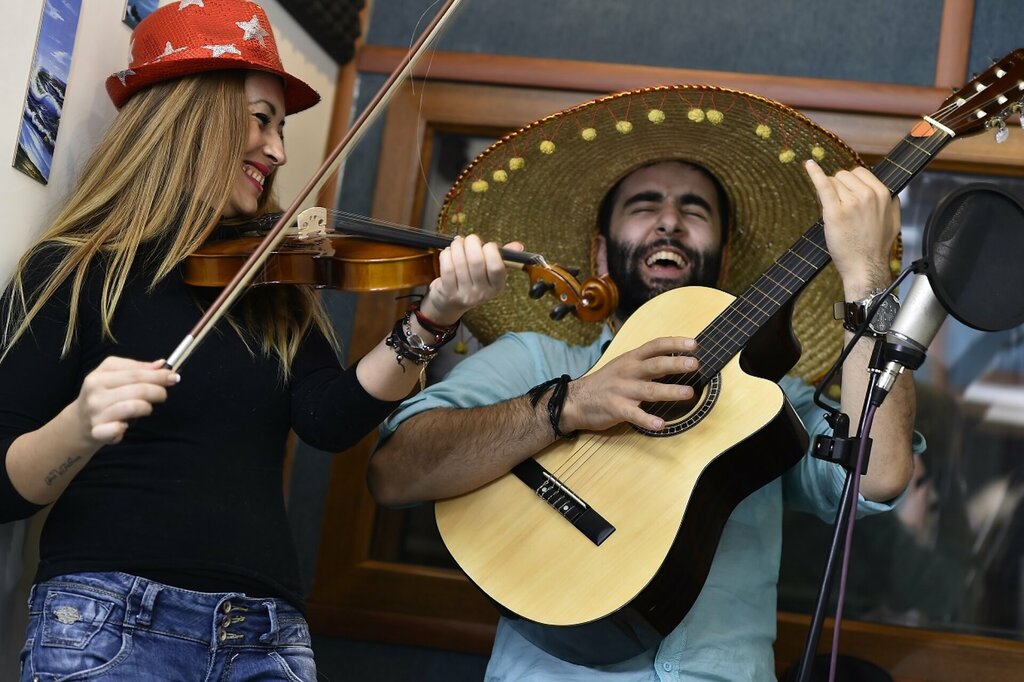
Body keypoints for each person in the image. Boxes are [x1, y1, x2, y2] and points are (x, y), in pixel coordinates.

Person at [0, 2, 511, 680]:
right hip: (111, 621)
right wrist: (79, 426)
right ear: (192, 115)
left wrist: (433, 319)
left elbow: (329, 418)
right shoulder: (71, 268)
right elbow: (5, 491)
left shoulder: (266, 279)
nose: (278, 150)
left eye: (282, 127)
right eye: (261, 119)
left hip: (266, 634)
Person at [369, 85, 921, 680]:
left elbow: (879, 473)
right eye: (644, 205)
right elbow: (395, 472)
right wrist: (569, 404)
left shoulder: (772, 399)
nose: (669, 221)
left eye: (695, 209)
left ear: (724, 255)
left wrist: (864, 275)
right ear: (600, 254)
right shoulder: (532, 360)